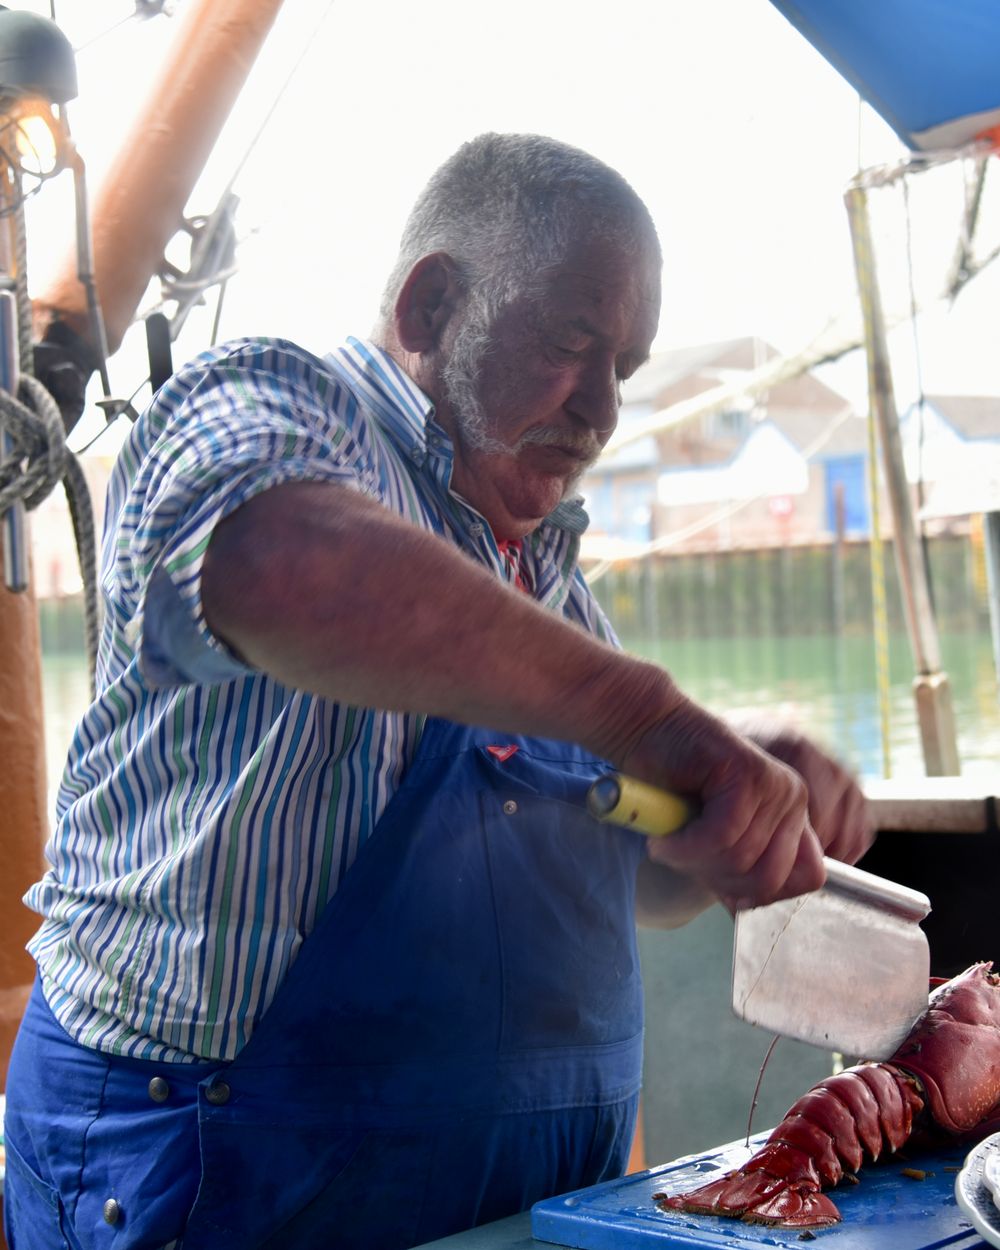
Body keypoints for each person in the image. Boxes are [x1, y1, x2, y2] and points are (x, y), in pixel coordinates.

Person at [3, 133, 872, 1250]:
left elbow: (618, 876)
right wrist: (657, 722)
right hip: (216, 1179)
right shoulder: (266, 406)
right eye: (573, 343)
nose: (602, 410)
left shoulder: (543, 576)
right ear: (431, 306)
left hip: (514, 1209)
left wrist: (726, 810)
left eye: (628, 369)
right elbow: (286, 566)